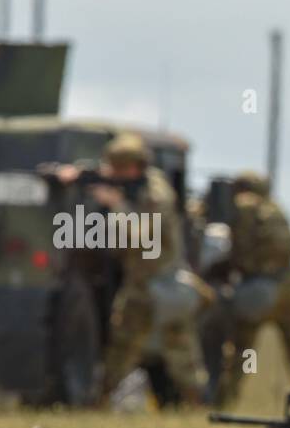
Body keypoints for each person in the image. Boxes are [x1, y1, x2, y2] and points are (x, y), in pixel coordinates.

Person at [54, 132, 206, 404]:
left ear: (132, 168)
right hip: (155, 287)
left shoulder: (156, 197)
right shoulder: (145, 183)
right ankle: (195, 407)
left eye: (116, 169)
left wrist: (116, 205)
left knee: (129, 351)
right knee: (176, 354)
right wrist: (77, 175)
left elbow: (140, 239)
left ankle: (99, 405)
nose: (111, 173)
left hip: (154, 287)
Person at [213, 172, 290, 407]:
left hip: (258, 290)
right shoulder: (276, 210)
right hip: (288, 288)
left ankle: (225, 405)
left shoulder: (244, 207)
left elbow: (239, 250)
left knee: (242, 353)